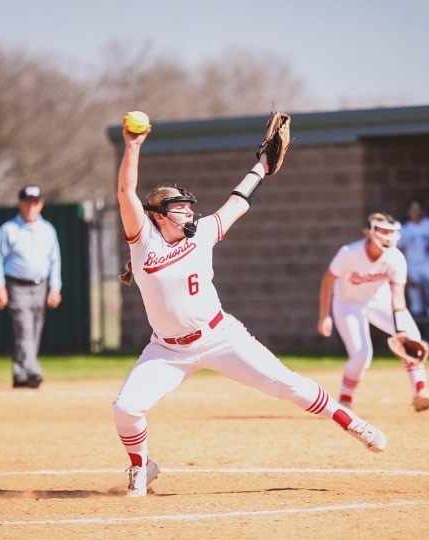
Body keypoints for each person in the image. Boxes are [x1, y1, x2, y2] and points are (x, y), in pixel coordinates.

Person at [112, 117, 386, 499]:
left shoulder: (203, 232)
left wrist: (261, 167)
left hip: (219, 336)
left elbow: (238, 201)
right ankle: (142, 468)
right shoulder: (143, 244)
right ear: (159, 215)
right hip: (168, 349)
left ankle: (352, 421)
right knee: (125, 408)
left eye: (189, 206)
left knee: (286, 384)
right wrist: (133, 145)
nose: (189, 212)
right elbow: (126, 191)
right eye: (179, 208)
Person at [317, 211, 429, 413]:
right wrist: (324, 316)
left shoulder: (396, 258)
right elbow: (328, 280)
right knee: (361, 355)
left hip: (379, 300)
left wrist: (401, 330)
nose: (387, 236)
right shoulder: (349, 253)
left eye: (390, 231)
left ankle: (420, 392)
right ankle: (344, 401)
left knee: (411, 335)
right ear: (368, 232)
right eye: (382, 231)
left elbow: (398, 296)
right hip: (348, 303)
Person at [0, 185, 62, 389]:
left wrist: (55, 288)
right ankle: (33, 370)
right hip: (16, 285)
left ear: (41, 204)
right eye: (27, 202)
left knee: (35, 330)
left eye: (35, 202)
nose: (31, 206)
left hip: (41, 285)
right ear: (20, 203)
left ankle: (21, 374)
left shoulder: (47, 230)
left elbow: (55, 260)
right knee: (24, 329)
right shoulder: (8, 229)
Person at [397, 198, 429, 348]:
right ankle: (419, 338)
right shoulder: (404, 229)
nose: (416, 212)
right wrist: (405, 274)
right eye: (413, 209)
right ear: (408, 212)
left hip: (427, 263)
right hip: (412, 266)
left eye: (418, 208)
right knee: (416, 306)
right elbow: (400, 252)